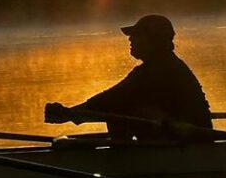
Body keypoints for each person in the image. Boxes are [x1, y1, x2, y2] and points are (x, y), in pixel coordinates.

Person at [44, 14, 213, 141]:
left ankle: (122, 160)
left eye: (137, 35)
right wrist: (72, 113)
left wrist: (69, 114)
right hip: (187, 135)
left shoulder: (158, 69)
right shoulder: (162, 64)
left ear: (154, 40)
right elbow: (110, 98)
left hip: (190, 140)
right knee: (127, 110)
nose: (130, 39)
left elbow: (110, 100)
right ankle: (123, 155)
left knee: (124, 110)